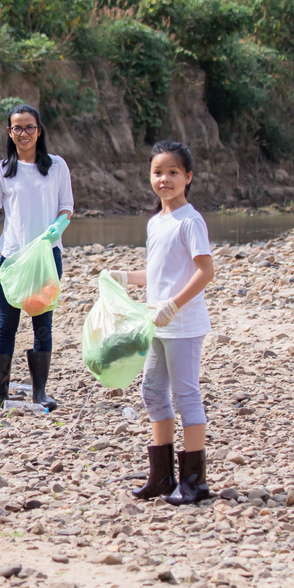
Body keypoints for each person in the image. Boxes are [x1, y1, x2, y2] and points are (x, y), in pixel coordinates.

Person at [105, 140, 214, 506]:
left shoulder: (190, 220)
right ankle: (162, 477)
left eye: (173, 172)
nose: (164, 179)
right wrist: (124, 277)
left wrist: (174, 304)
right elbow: (156, 273)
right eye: (157, 172)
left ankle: (195, 482)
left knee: (185, 396)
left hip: (183, 325)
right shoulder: (156, 222)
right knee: (152, 392)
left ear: (188, 177)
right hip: (156, 323)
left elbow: (205, 271)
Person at [0, 104, 74, 413]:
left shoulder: (57, 166)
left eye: (29, 127)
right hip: (14, 257)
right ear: (9, 132)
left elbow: (67, 206)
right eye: (17, 128)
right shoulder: (1, 169)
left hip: (46, 255)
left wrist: (60, 225)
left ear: (39, 131)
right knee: (7, 325)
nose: (24, 133)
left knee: (42, 324)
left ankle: (40, 392)